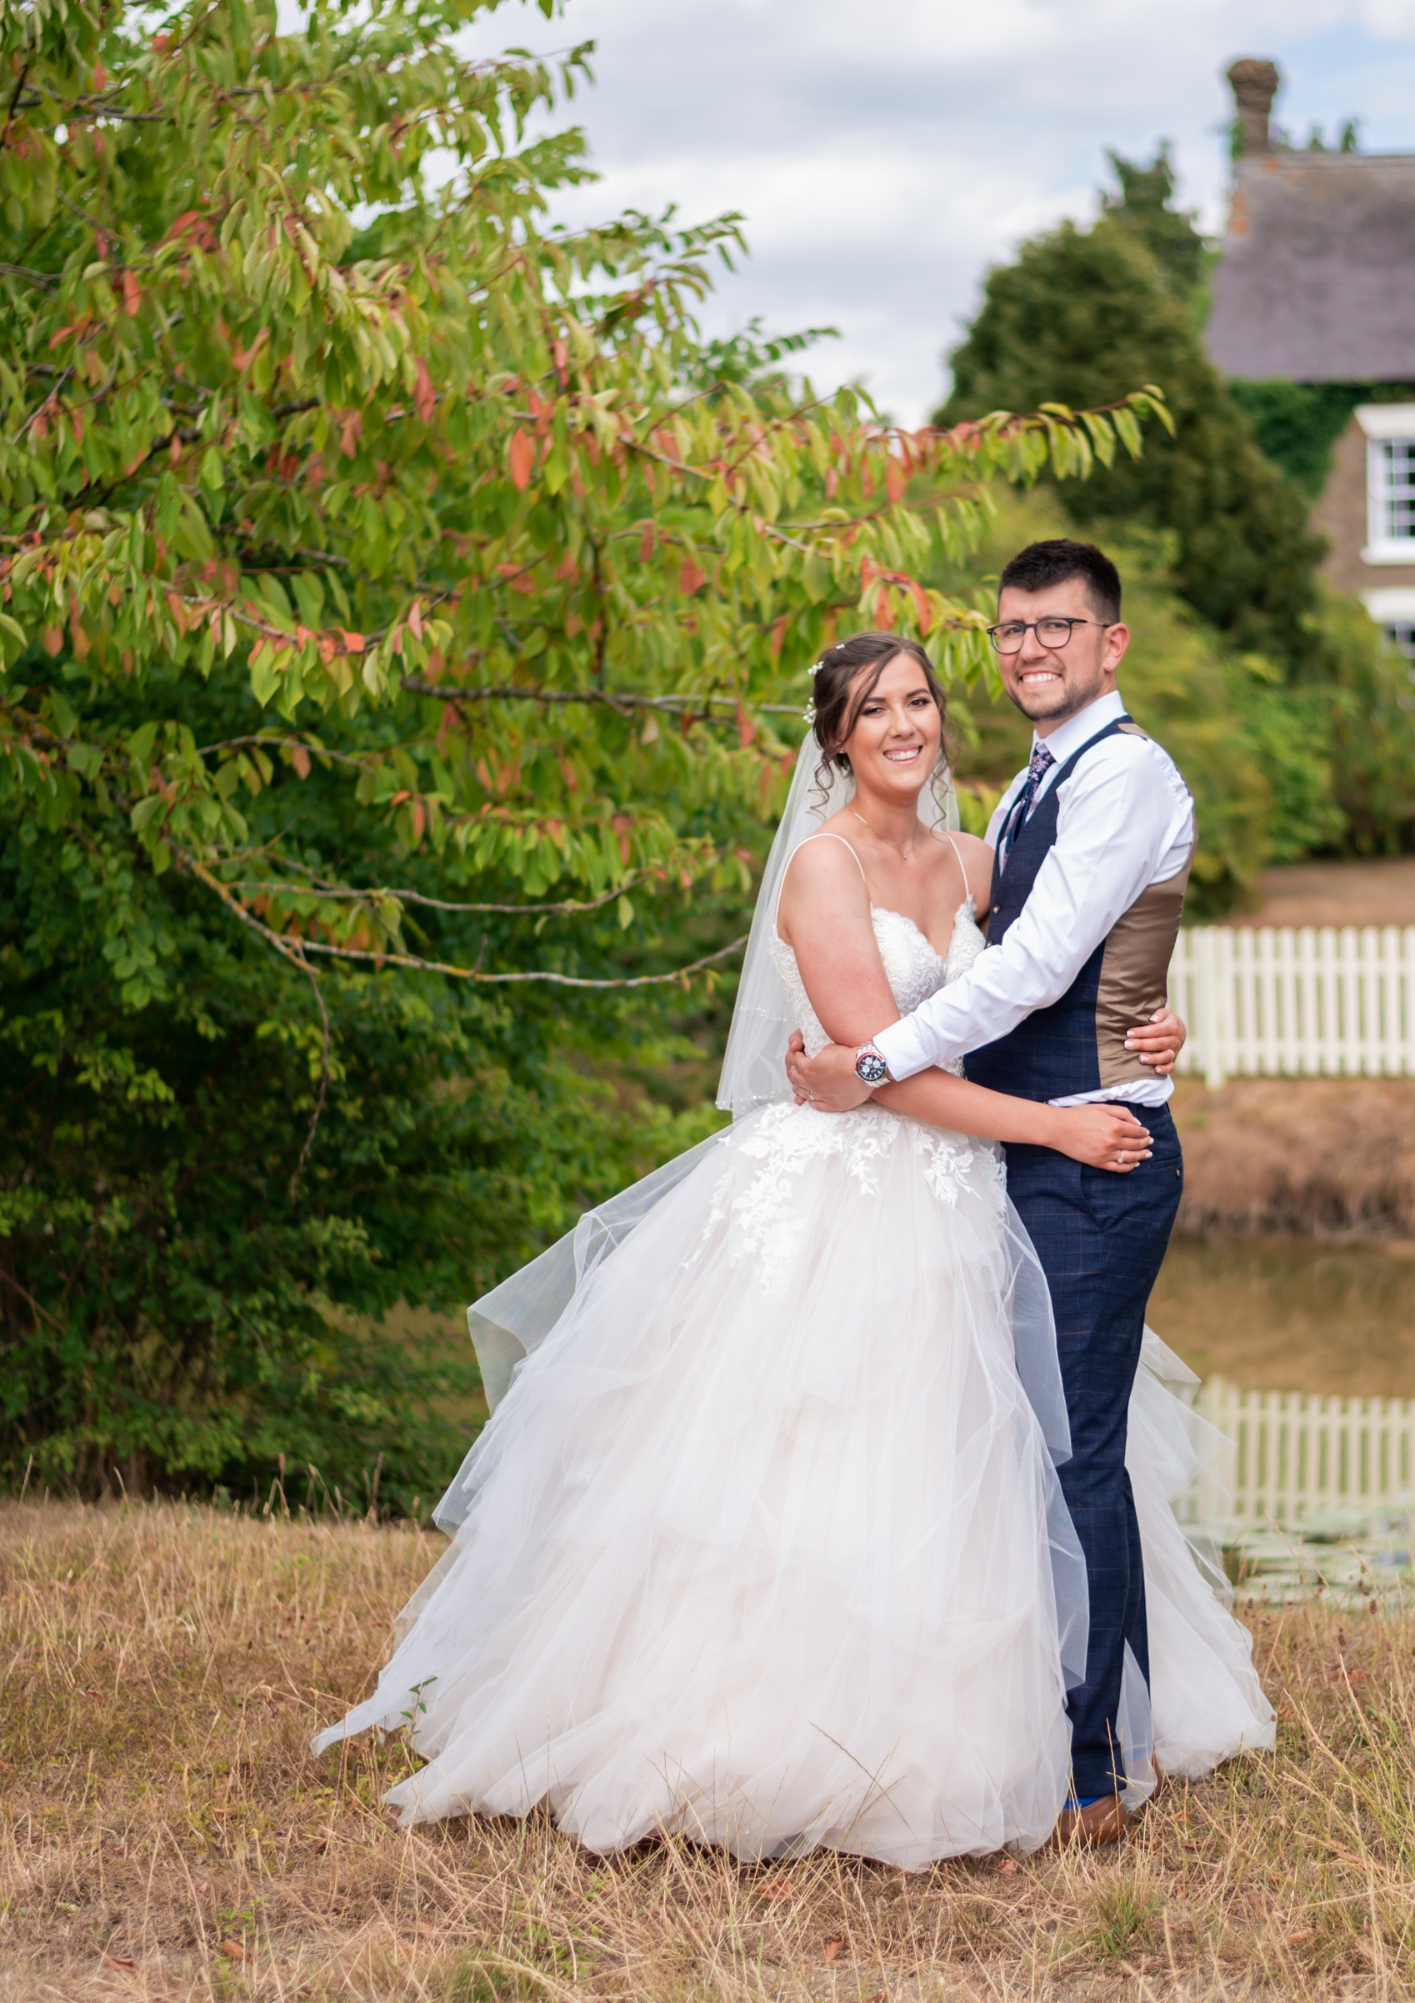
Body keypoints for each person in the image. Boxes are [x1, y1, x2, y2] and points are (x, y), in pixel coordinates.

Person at [313, 629, 1271, 1868]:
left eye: (921, 699)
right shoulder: (821, 871)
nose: (905, 725)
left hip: (967, 1194)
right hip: (853, 1193)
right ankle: (769, 1727)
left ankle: (1024, 1721)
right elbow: (884, 1072)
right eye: (875, 710)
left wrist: (1150, 1023)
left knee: (977, 1456)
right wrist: (1055, 1128)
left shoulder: (977, 860)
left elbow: (1066, 966)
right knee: (814, 1456)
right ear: (835, 737)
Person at [787, 540, 1225, 1847]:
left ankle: (1095, 1766)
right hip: (996, 1158)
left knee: (1071, 1454)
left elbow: (1033, 966)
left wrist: (870, 1062)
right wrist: (1142, 1015)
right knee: (1011, 1453)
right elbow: (1072, 954)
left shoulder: (1125, 772)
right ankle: (1063, 1732)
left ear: (1112, 641)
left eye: (1058, 626)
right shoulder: (1032, 789)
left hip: (1085, 1154)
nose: (1030, 646)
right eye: (1013, 628)